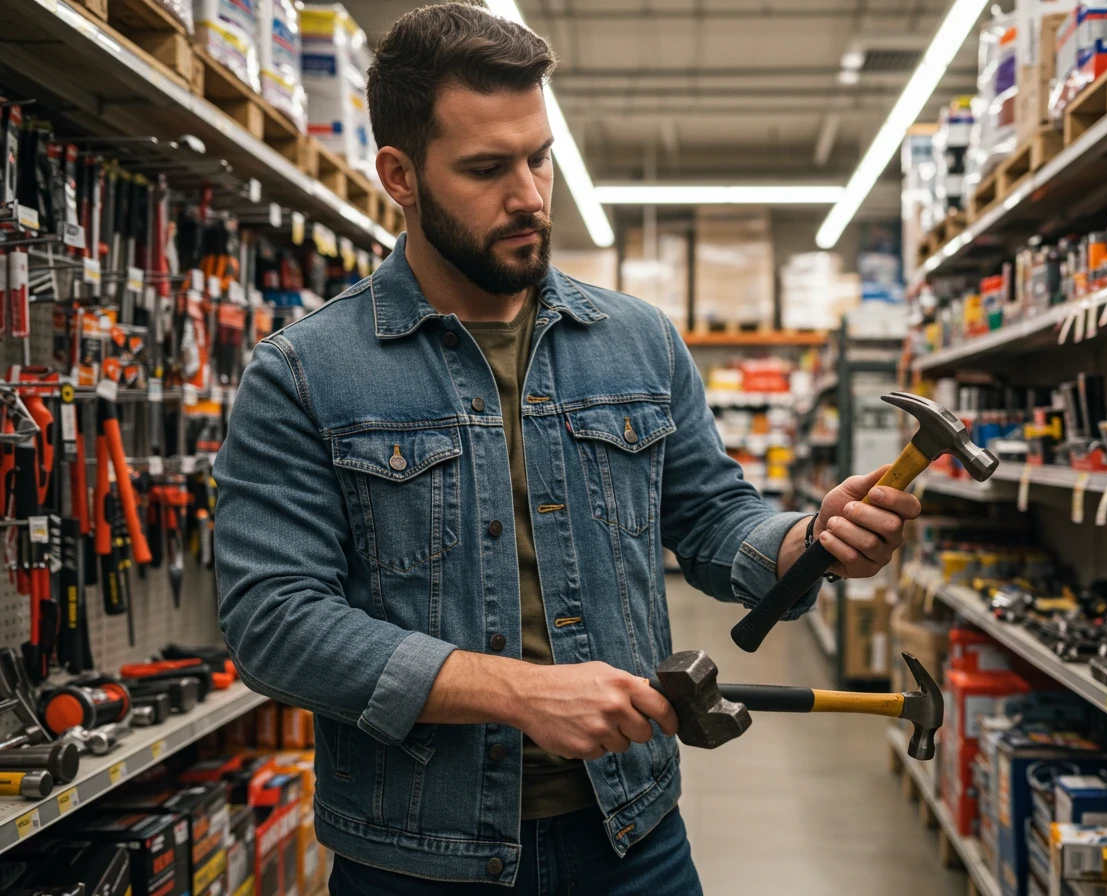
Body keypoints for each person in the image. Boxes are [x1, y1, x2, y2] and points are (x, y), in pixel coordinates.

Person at [213, 4, 921, 894]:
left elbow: (707, 515)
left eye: (539, 157)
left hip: (632, 835)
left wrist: (802, 541)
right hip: (419, 857)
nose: (530, 196)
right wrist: (515, 692)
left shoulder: (639, 341)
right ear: (399, 174)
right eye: (486, 168)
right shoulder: (306, 372)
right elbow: (272, 623)